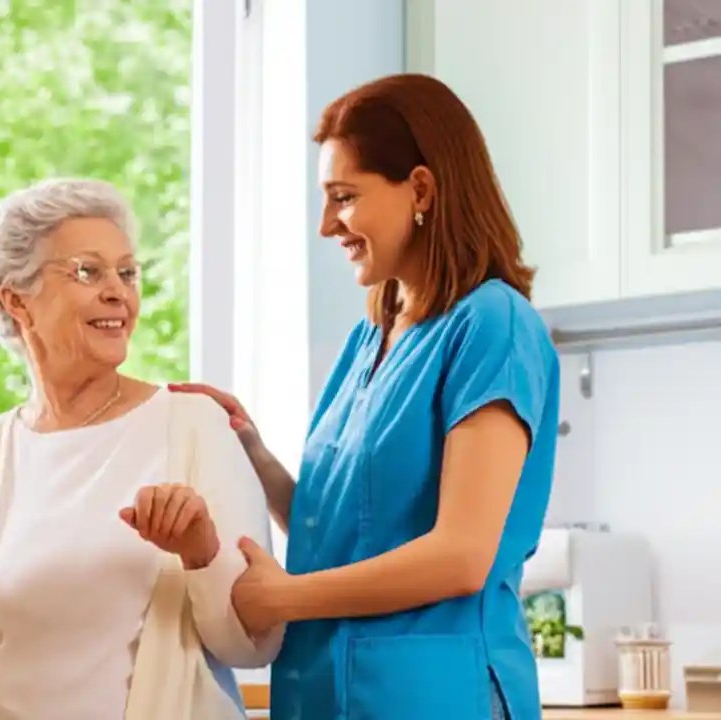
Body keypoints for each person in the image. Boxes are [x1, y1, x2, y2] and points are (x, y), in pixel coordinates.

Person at [174, 73, 560, 720]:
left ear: (421, 189)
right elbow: (348, 534)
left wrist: (283, 599)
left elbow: (462, 556)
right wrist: (254, 452)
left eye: (344, 197)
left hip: (436, 698)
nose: (327, 225)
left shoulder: (493, 325)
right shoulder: (370, 336)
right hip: (326, 692)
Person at [0, 178, 282, 720]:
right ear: (17, 300)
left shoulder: (197, 426)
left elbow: (255, 647)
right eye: (88, 271)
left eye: (127, 273)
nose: (118, 292)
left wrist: (200, 555)